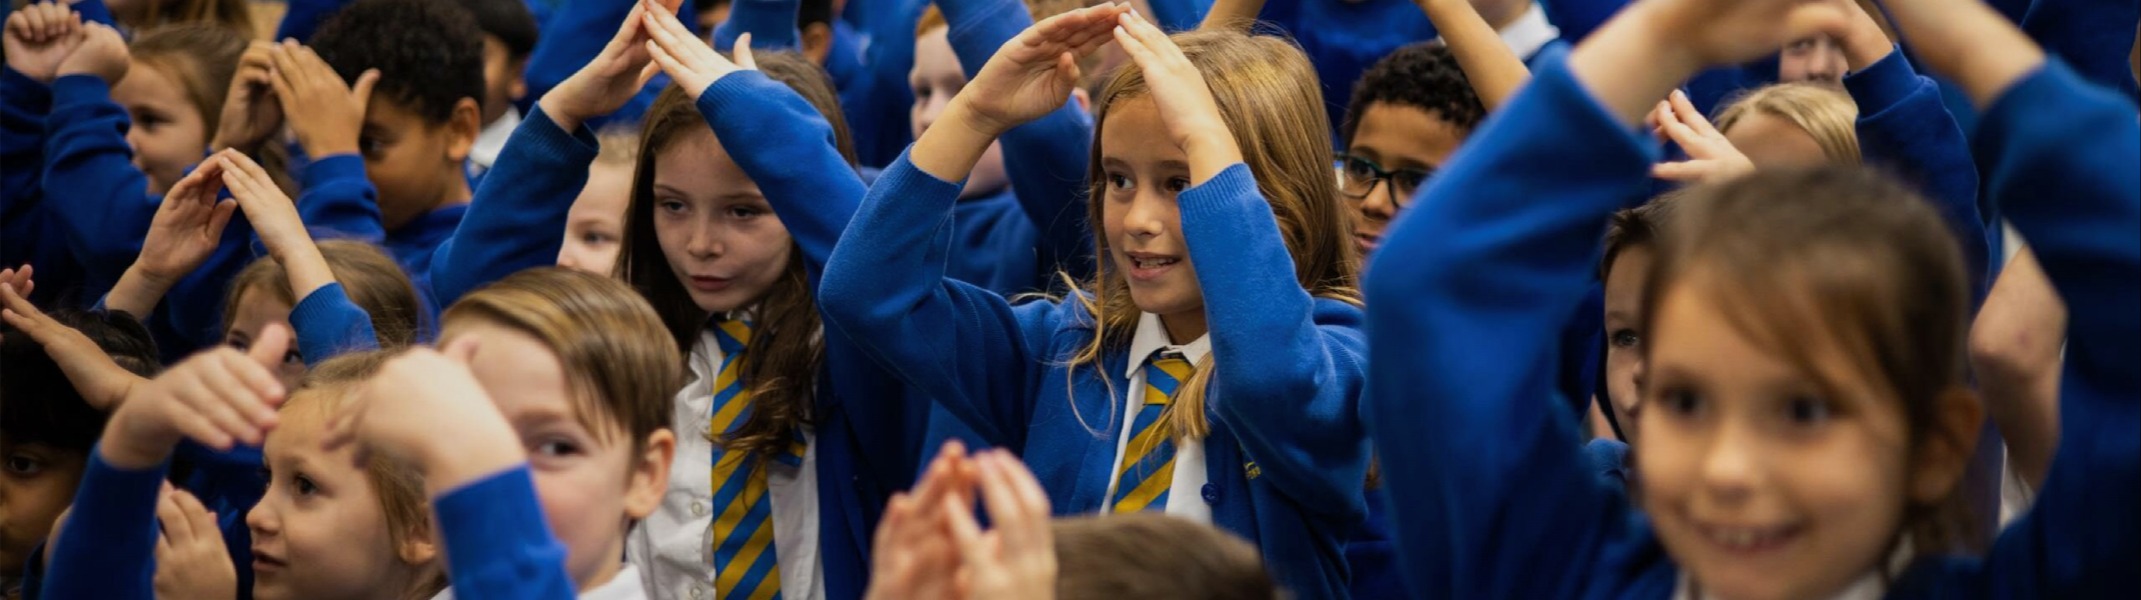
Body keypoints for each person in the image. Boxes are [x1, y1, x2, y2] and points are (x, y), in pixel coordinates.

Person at [1364, 0, 2139, 596]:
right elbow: (1428, 296)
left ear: (1937, 446)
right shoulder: (1577, 578)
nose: (1728, 470)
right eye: (1685, 401)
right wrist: (1676, 29)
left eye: (1802, 410)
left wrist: (1962, 41)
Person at [820, 8, 1369, 596]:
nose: (1138, 221)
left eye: (1182, 182)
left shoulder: (1340, 357)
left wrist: (1207, 138)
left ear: (1269, 195)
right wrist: (978, 113)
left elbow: (1269, 379)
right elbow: (864, 291)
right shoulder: (1066, 346)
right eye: (1119, 179)